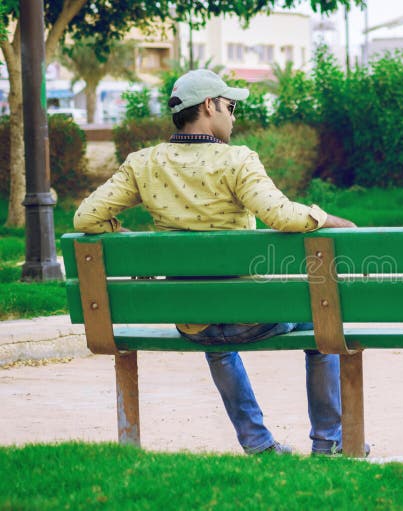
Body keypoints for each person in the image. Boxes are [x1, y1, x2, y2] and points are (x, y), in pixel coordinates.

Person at [74, 69, 361, 456]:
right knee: (322, 323)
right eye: (230, 106)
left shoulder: (143, 164)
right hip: (252, 316)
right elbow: (281, 215)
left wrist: (129, 240)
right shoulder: (237, 160)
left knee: (213, 331)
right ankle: (329, 442)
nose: (233, 115)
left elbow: (86, 217)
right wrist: (332, 221)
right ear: (208, 106)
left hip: (193, 319)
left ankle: (258, 445)